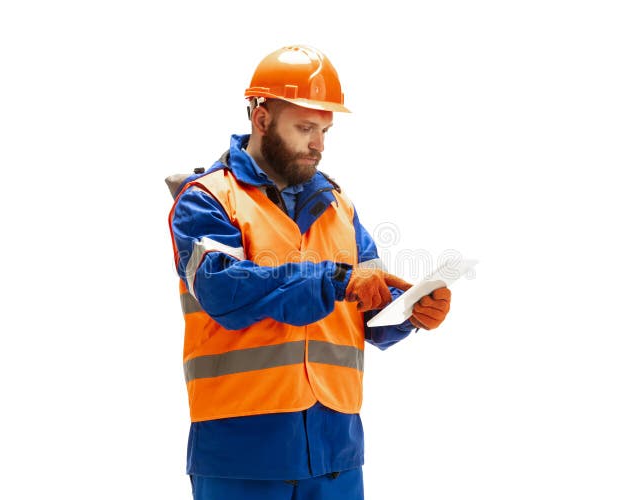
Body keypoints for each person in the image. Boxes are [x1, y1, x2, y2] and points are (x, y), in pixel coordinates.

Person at [167, 45, 452, 500]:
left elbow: (367, 315)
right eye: (304, 128)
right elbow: (224, 290)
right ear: (261, 119)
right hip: (242, 454)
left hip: (336, 453)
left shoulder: (341, 208)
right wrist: (335, 280)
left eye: (324, 129)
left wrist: (410, 312)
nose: (318, 143)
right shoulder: (207, 199)